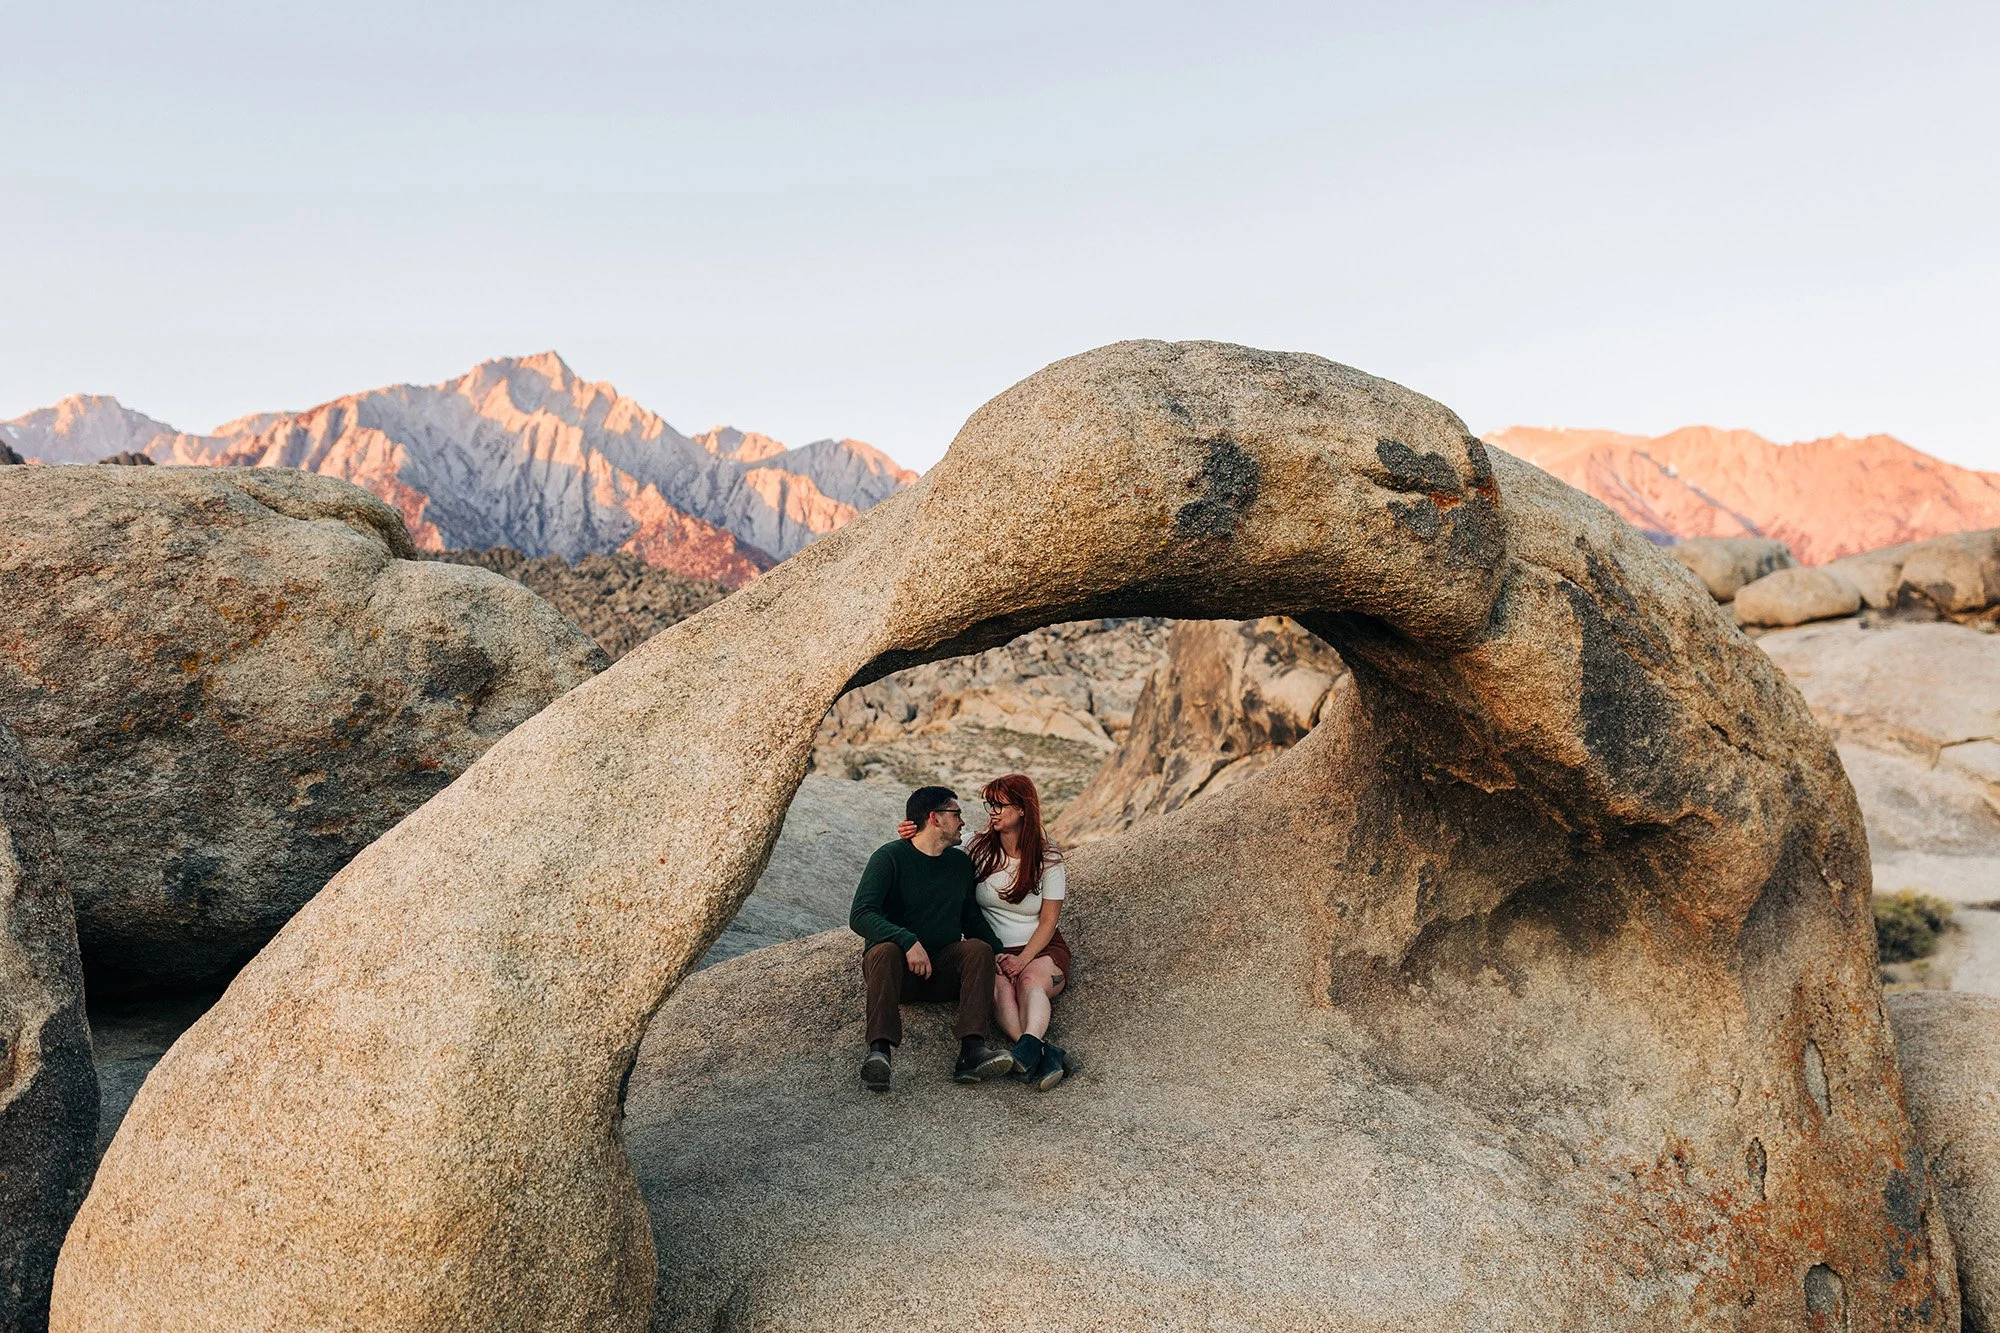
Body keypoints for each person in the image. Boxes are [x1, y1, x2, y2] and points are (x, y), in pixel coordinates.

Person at [900, 773, 1072, 1091]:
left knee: (1028, 982)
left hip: (1040, 948)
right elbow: (933, 844)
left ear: (1022, 809)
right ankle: (1042, 1051)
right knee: (999, 990)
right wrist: (912, 832)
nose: (991, 811)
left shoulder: (1048, 858)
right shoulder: (977, 847)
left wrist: (1023, 960)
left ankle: (1030, 1048)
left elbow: (1049, 920)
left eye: (998, 804)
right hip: (991, 948)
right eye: (989, 804)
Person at [848, 785, 1016, 1092]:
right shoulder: (889, 857)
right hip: (898, 975)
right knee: (884, 951)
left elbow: (971, 917)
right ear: (935, 819)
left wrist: (999, 952)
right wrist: (907, 941)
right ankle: (879, 1054)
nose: (962, 822)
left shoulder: (958, 863)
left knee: (978, 950)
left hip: (942, 972)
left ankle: (971, 1052)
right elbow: (860, 914)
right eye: (956, 814)